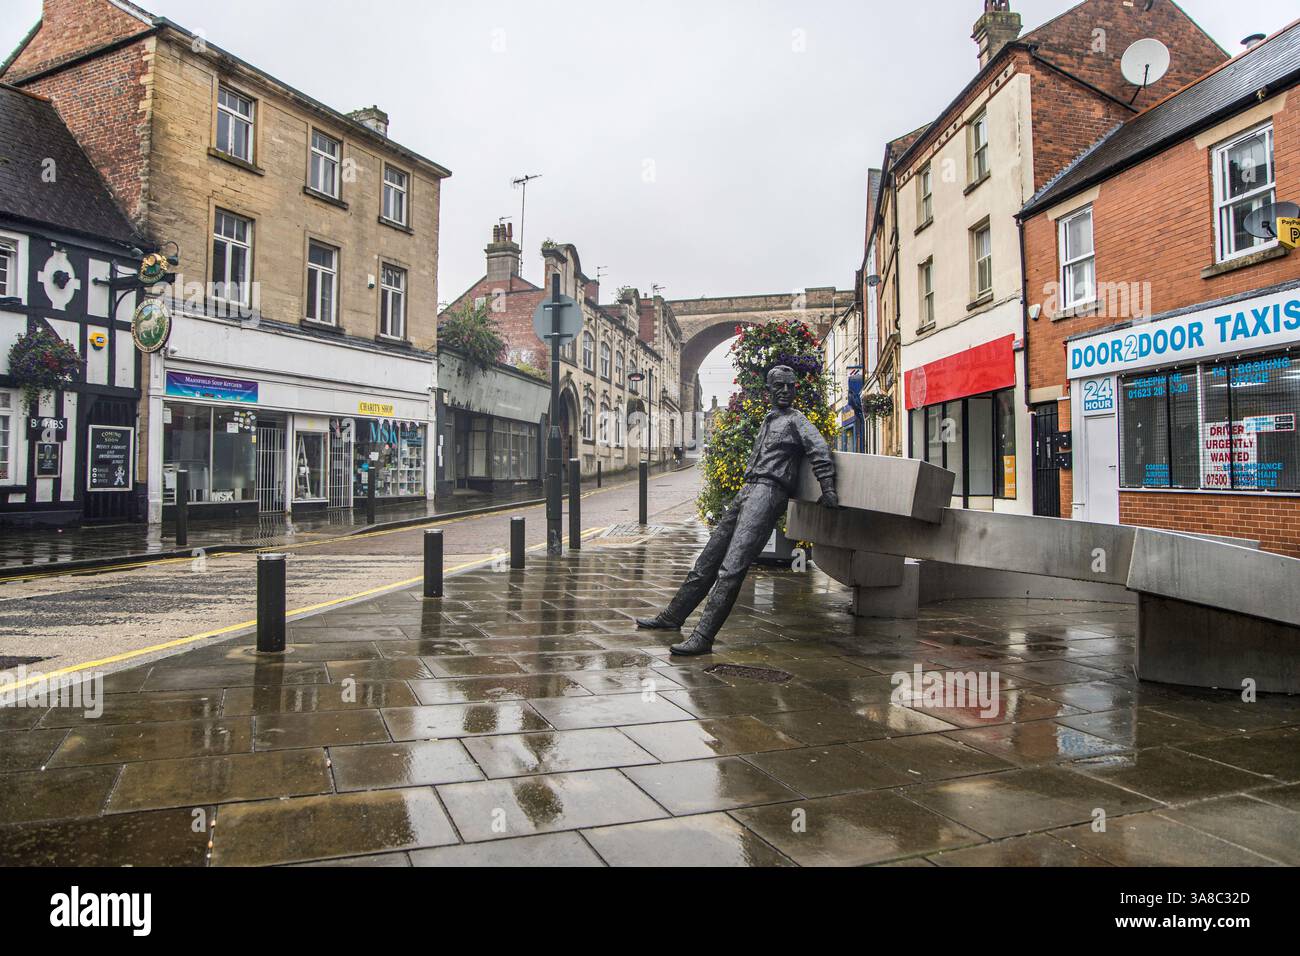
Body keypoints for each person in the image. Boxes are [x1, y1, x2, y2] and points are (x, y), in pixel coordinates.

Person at [637, 365, 838, 655]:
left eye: (790, 386)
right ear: (768, 391)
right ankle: (673, 616)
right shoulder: (770, 419)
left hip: (769, 492)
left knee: (732, 567)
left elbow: (820, 451)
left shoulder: (797, 421)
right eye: (778, 386)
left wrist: (828, 488)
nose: (785, 391)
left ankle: (703, 636)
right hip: (749, 491)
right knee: (708, 558)